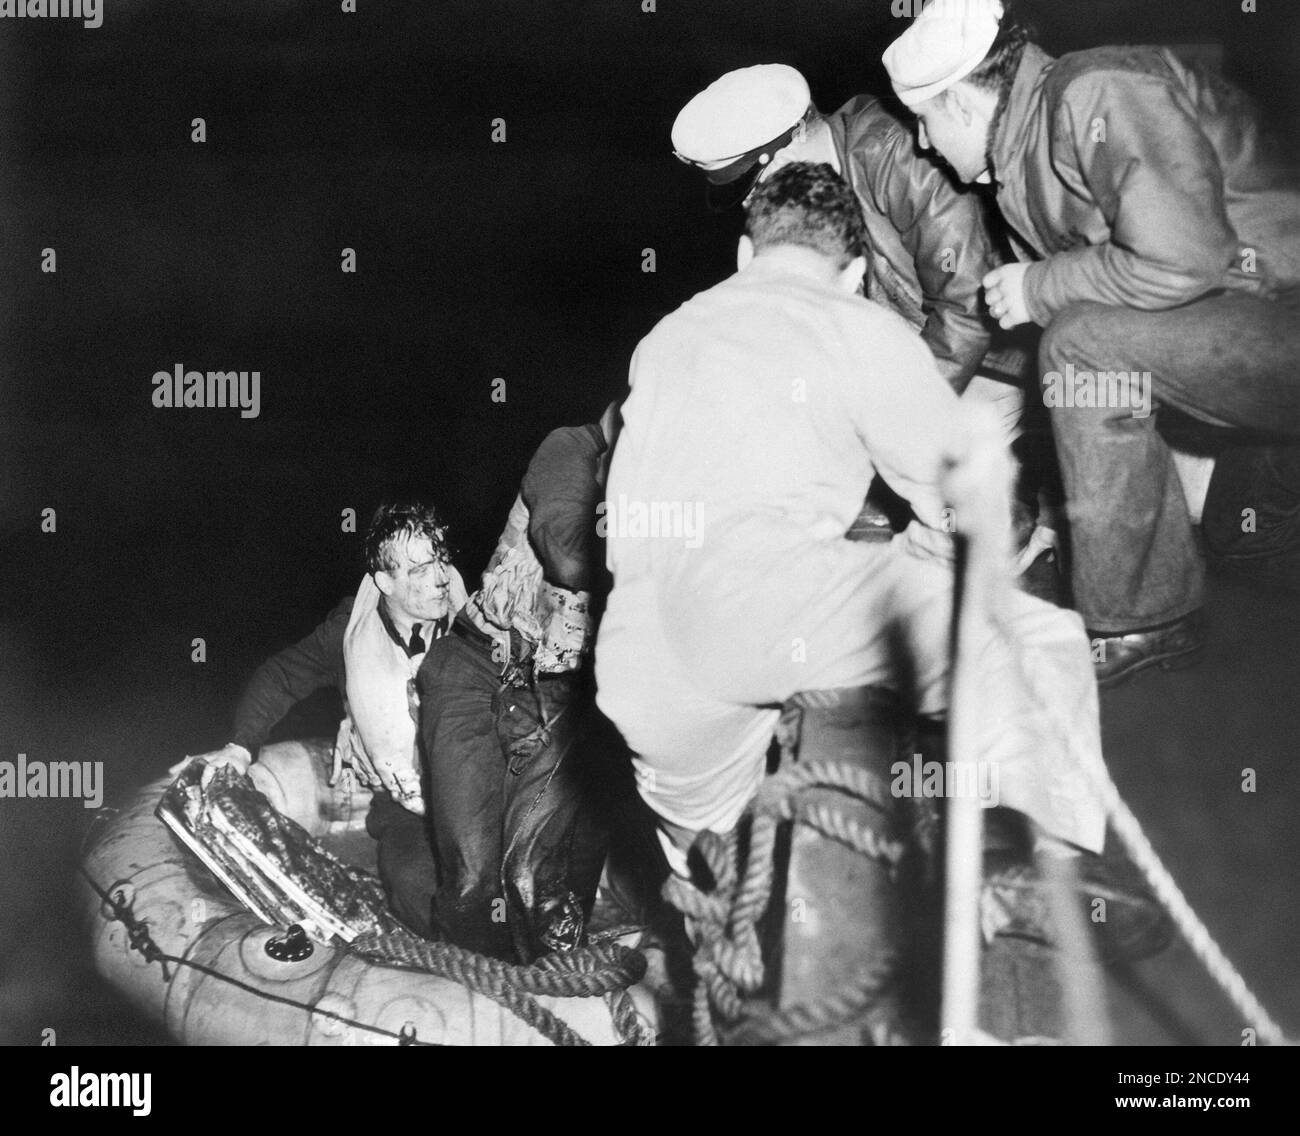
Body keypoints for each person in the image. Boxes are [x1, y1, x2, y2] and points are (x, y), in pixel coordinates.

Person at [595, 161, 1109, 887]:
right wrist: (942, 549)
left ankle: (705, 891)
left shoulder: (668, 335)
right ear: (856, 272)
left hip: (637, 662)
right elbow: (966, 502)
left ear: (747, 254)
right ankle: (1053, 866)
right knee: (1034, 645)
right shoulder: (855, 323)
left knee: (718, 862)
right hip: (751, 609)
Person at [883, 0, 1300, 686]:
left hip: (1278, 313)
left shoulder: (1094, 91)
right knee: (1238, 528)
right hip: (1246, 336)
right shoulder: (1025, 155)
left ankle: (1141, 619)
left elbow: (1183, 261)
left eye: (924, 123)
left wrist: (1040, 288)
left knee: (1080, 345)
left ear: (958, 104)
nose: (923, 145)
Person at [672, 62, 1054, 565]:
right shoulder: (812, 199)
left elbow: (968, 307)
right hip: (920, 358)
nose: (754, 203)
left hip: (999, 355)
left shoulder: (895, 153)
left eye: (755, 183)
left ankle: (1012, 523)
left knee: (935, 524)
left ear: (789, 146)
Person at [172, 501, 467, 937]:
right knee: (413, 886)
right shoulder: (347, 634)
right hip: (406, 807)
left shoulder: (474, 619)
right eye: (420, 570)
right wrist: (241, 745)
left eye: (441, 559)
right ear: (385, 581)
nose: (440, 578)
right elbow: (281, 676)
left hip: (473, 797)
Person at [418, 411, 619, 963]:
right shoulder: (570, 448)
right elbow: (566, 549)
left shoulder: (672, 478)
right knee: (468, 881)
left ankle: (555, 991)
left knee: (536, 881)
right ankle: (474, 1000)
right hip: (474, 663)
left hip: (560, 692)